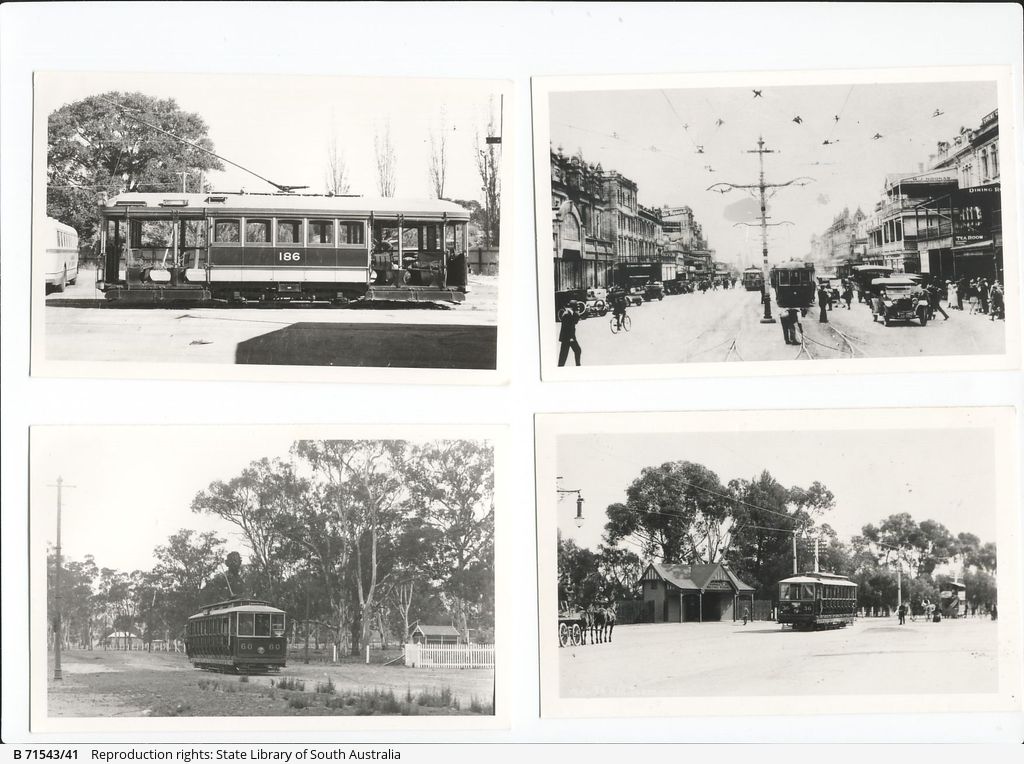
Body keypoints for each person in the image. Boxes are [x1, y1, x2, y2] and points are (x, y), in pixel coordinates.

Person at [557, 301, 582, 367]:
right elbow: (567, 327)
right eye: (577, 307)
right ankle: (577, 366)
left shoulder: (570, 313)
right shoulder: (567, 314)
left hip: (569, 338)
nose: (578, 308)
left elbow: (575, 322)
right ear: (574, 307)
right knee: (565, 355)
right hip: (568, 338)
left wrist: (576, 314)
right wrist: (571, 338)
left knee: (575, 351)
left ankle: (577, 365)